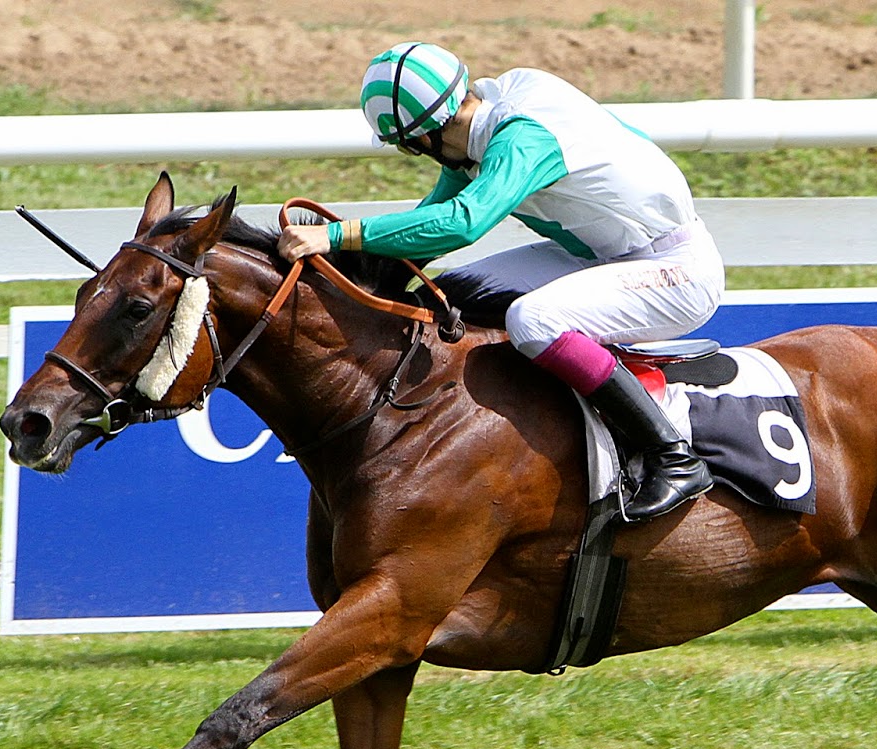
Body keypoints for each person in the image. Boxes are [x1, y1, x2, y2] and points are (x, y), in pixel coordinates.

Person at [278, 42, 724, 521]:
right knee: (449, 295)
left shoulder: (521, 139)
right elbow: (434, 221)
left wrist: (339, 235)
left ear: (422, 137)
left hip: (675, 273)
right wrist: (355, 277)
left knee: (531, 320)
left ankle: (672, 456)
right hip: (601, 256)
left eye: (407, 146)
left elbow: (463, 222)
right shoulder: (483, 117)